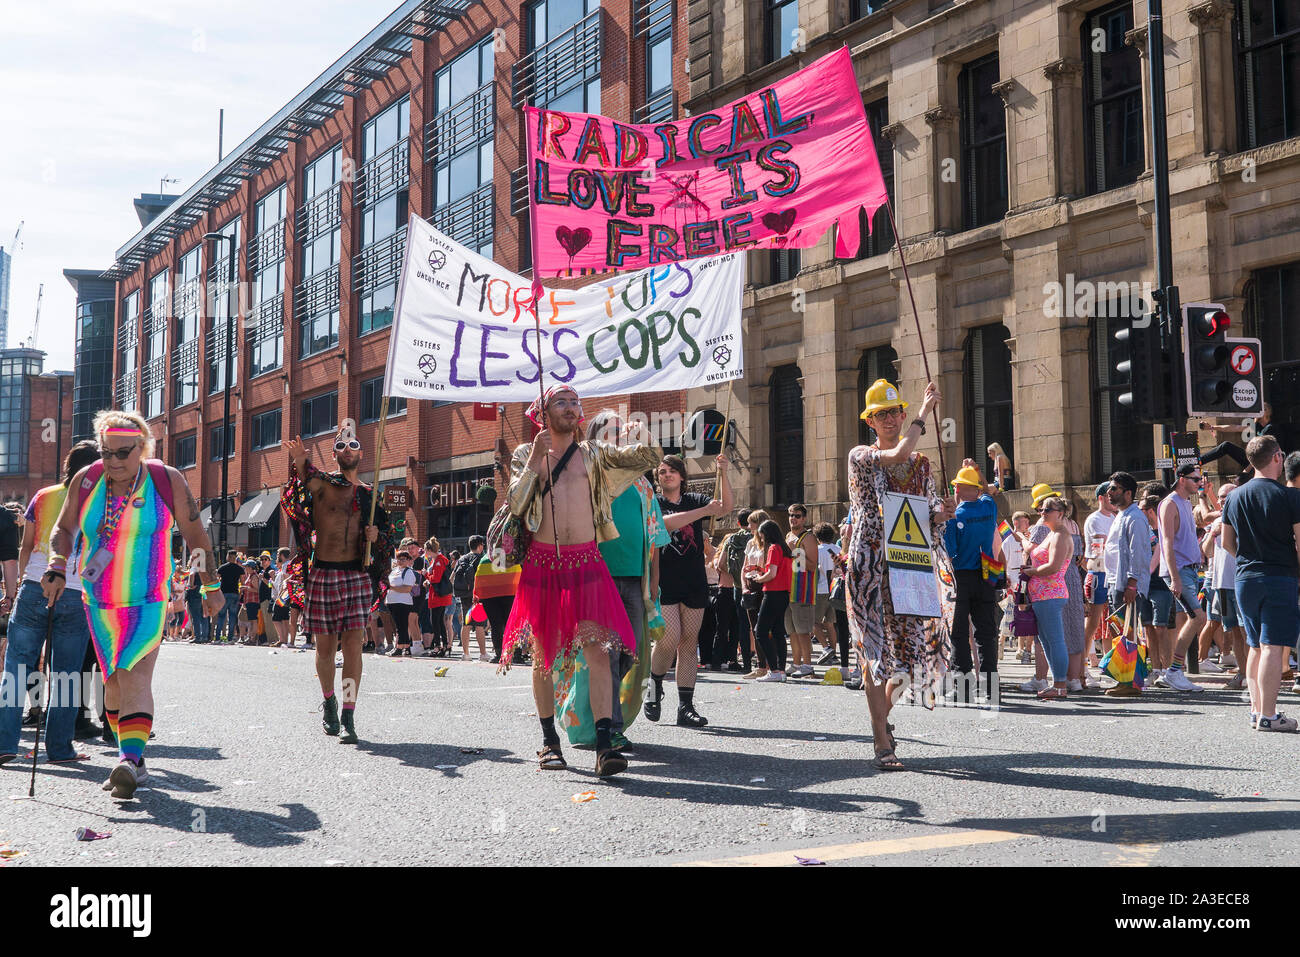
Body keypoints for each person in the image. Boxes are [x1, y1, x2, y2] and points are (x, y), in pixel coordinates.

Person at [38, 412, 223, 798]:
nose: (114, 461)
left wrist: (211, 585)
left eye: (123, 452)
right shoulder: (87, 480)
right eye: (107, 453)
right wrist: (56, 565)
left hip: (148, 598)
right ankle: (133, 759)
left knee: (136, 674)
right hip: (98, 600)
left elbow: (194, 533)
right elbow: (65, 527)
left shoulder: (164, 479)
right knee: (113, 685)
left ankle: (128, 760)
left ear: (142, 448)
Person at [501, 386, 660, 775]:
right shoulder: (527, 453)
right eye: (562, 402)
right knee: (544, 658)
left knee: (598, 653)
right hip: (542, 566)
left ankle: (605, 746)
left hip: (587, 563)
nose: (571, 408)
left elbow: (649, 457)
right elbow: (517, 503)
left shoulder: (595, 454)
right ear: (542, 412)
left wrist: (641, 430)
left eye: (575, 403)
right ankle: (549, 743)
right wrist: (537, 457)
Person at [846, 379, 954, 771]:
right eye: (881, 414)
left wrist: (941, 514)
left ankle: (881, 718)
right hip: (869, 567)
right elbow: (897, 453)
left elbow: (926, 511)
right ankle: (880, 740)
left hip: (910, 566)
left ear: (901, 414)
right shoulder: (860, 455)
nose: (890, 418)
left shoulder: (923, 464)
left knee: (909, 661)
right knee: (873, 655)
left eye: (896, 412)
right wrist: (926, 411)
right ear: (870, 421)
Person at [556, 410, 670, 749]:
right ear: (593, 436)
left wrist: (653, 584)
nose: (618, 435)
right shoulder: (586, 474)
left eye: (621, 431)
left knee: (628, 652)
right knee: (600, 655)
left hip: (634, 581)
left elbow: (655, 540)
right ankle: (606, 728)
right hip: (595, 578)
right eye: (610, 430)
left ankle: (607, 721)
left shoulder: (642, 483)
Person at [282, 426, 391, 746]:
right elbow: (301, 478)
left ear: (361, 453)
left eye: (353, 444)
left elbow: (388, 538)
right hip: (322, 575)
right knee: (325, 649)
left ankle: (348, 714)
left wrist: (377, 537)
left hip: (356, 576)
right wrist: (300, 460)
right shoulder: (322, 485)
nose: (347, 449)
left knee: (355, 646)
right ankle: (329, 699)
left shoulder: (371, 496)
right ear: (334, 454)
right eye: (340, 445)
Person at [0, 441, 101, 766]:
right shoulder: (101, 503)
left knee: (16, 669)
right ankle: (59, 748)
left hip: (34, 585)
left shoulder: (43, 496)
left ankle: (4, 743)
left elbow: (26, 546)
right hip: (75, 591)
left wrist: (17, 589)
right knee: (68, 674)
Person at [1220, 435, 1300, 731]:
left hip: (1245, 578)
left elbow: (1228, 542)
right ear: (1277, 457)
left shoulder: (1234, 497)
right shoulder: (1290, 497)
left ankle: (1256, 711)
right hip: (1279, 576)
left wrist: (1248, 558)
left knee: (1255, 646)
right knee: (1272, 647)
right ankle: (1269, 714)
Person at [647, 452, 731, 727]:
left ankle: (685, 706)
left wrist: (724, 472)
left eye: (671, 471)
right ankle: (654, 683)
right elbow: (664, 525)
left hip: (694, 579)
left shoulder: (695, 499)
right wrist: (703, 512)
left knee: (689, 642)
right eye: (661, 472)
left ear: (682, 476)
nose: (666, 475)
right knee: (669, 638)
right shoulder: (654, 502)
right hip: (665, 579)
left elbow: (724, 508)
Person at [941, 461, 1000, 703]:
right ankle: (990, 688)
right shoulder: (988, 507)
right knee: (986, 633)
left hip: (961, 577)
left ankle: (963, 686)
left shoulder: (954, 518)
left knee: (958, 633)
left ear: (957, 490)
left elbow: (950, 552)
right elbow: (988, 491)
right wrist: (977, 471)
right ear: (976, 489)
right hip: (987, 576)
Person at [1153, 463, 1209, 691]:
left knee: (1187, 619)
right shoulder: (1169, 503)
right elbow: (1165, 541)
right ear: (1182, 479)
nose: (1199, 484)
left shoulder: (1186, 502)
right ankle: (1174, 671)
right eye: (1195, 480)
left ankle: (1173, 671)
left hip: (1190, 569)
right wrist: (1174, 577)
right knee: (1198, 617)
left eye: (1200, 480)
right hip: (1179, 570)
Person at [1100, 472, 1153, 697]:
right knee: (1121, 631)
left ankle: (1130, 683)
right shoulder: (1121, 515)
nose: (1109, 493)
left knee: (1128, 633)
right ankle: (1125, 678)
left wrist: (1132, 583)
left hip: (1126, 585)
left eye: (1114, 489)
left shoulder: (1135, 518)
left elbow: (1139, 553)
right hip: (1116, 582)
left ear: (1128, 493)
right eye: (1110, 489)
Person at [1021, 496, 1074, 700]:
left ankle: (1060, 684)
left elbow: (1053, 566)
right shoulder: (1052, 533)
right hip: (1043, 594)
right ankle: (1057, 683)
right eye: (1041, 509)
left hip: (1050, 593)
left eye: (1047, 510)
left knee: (1055, 639)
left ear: (1059, 513)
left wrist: (1031, 572)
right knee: (1046, 640)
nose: (1042, 513)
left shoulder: (1060, 535)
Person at [746, 520, 793, 681]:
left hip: (773, 593)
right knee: (779, 632)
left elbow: (771, 574)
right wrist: (761, 571)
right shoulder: (784, 548)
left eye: (762, 536)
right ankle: (780, 670)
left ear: (767, 534)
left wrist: (759, 578)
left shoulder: (773, 548)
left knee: (760, 632)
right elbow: (777, 571)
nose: (762, 539)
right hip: (784, 593)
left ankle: (773, 669)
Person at [1082, 482, 1116, 677]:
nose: (1113, 497)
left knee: (1113, 623)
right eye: (1109, 494)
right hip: (1098, 572)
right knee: (1094, 622)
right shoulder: (1093, 519)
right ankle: (1083, 664)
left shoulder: (1114, 517)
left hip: (1112, 573)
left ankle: (1110, 661)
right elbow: (1098, 547)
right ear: (1101, 498)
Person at [781, 503, 819, 678]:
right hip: (787, 590)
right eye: (790, 515)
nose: (792, 518)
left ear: (804, 519)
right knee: (792, 632)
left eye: (797, 515)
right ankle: (796, 663)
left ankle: (807, 665)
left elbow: (811, 566)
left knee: (803, 631)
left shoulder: (808, 537)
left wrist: (795, 550)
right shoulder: (789, 535)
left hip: (802, 591)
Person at [740, 510, 772, 676]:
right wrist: (744, 586)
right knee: (754, 627)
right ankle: (760, 665)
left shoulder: (770, 544)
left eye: (752, 522)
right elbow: (744, 567)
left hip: (765, 585)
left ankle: (771, 664)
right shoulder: (750, 543)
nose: (749, 526)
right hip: (751, 586)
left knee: (765, 627)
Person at [722, 510, 754, 672]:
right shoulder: (757, 537)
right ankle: (764, 662)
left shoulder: (732, 539)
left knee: (742, 625)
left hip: (737, 586)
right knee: (757, 625)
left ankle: (746, 663)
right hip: (756, 586)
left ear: (738, 523)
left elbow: (721, 564)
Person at [452, 536, 486, 654]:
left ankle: (465, 653)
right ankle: (482, 653)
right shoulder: (481, 558)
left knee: (466, 624)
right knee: (479, 625)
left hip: (463, 594)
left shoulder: (462, 559)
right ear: (480, 545)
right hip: (477, 595)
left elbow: (453, 577)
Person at [423, 538, 452, 656]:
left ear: (430, 550)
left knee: (435, 622)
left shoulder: (439, 560)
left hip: (438, 596)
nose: (425, 553)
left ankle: (437, 646)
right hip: (440, 595)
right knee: (439, 622)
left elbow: (435, 579)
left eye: (426, 551)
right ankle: (444, 645)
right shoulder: (438, 560)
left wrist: (426, 575)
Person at [385, 550, 418, 656]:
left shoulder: (409, 572)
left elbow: (407, 589)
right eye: (399, 559)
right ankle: (406, 647)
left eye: (403, 559)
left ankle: (400, 647)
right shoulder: (394, 571)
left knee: (401, 625)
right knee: (399, 625)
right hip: (392, 601)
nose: (400, 561)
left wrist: (391, 588)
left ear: (408, 560)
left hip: (403, 602)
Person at [213, 551, 242, 642]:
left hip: (223, 594)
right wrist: (240, 594)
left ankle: (217, 637)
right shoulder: (239, 569)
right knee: (232, 616)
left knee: (221, 616)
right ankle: (230, 638)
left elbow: (216, 580)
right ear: (235, 558)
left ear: (228, 557)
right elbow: (243, 582)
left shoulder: (222, 568)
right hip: (234, 593)